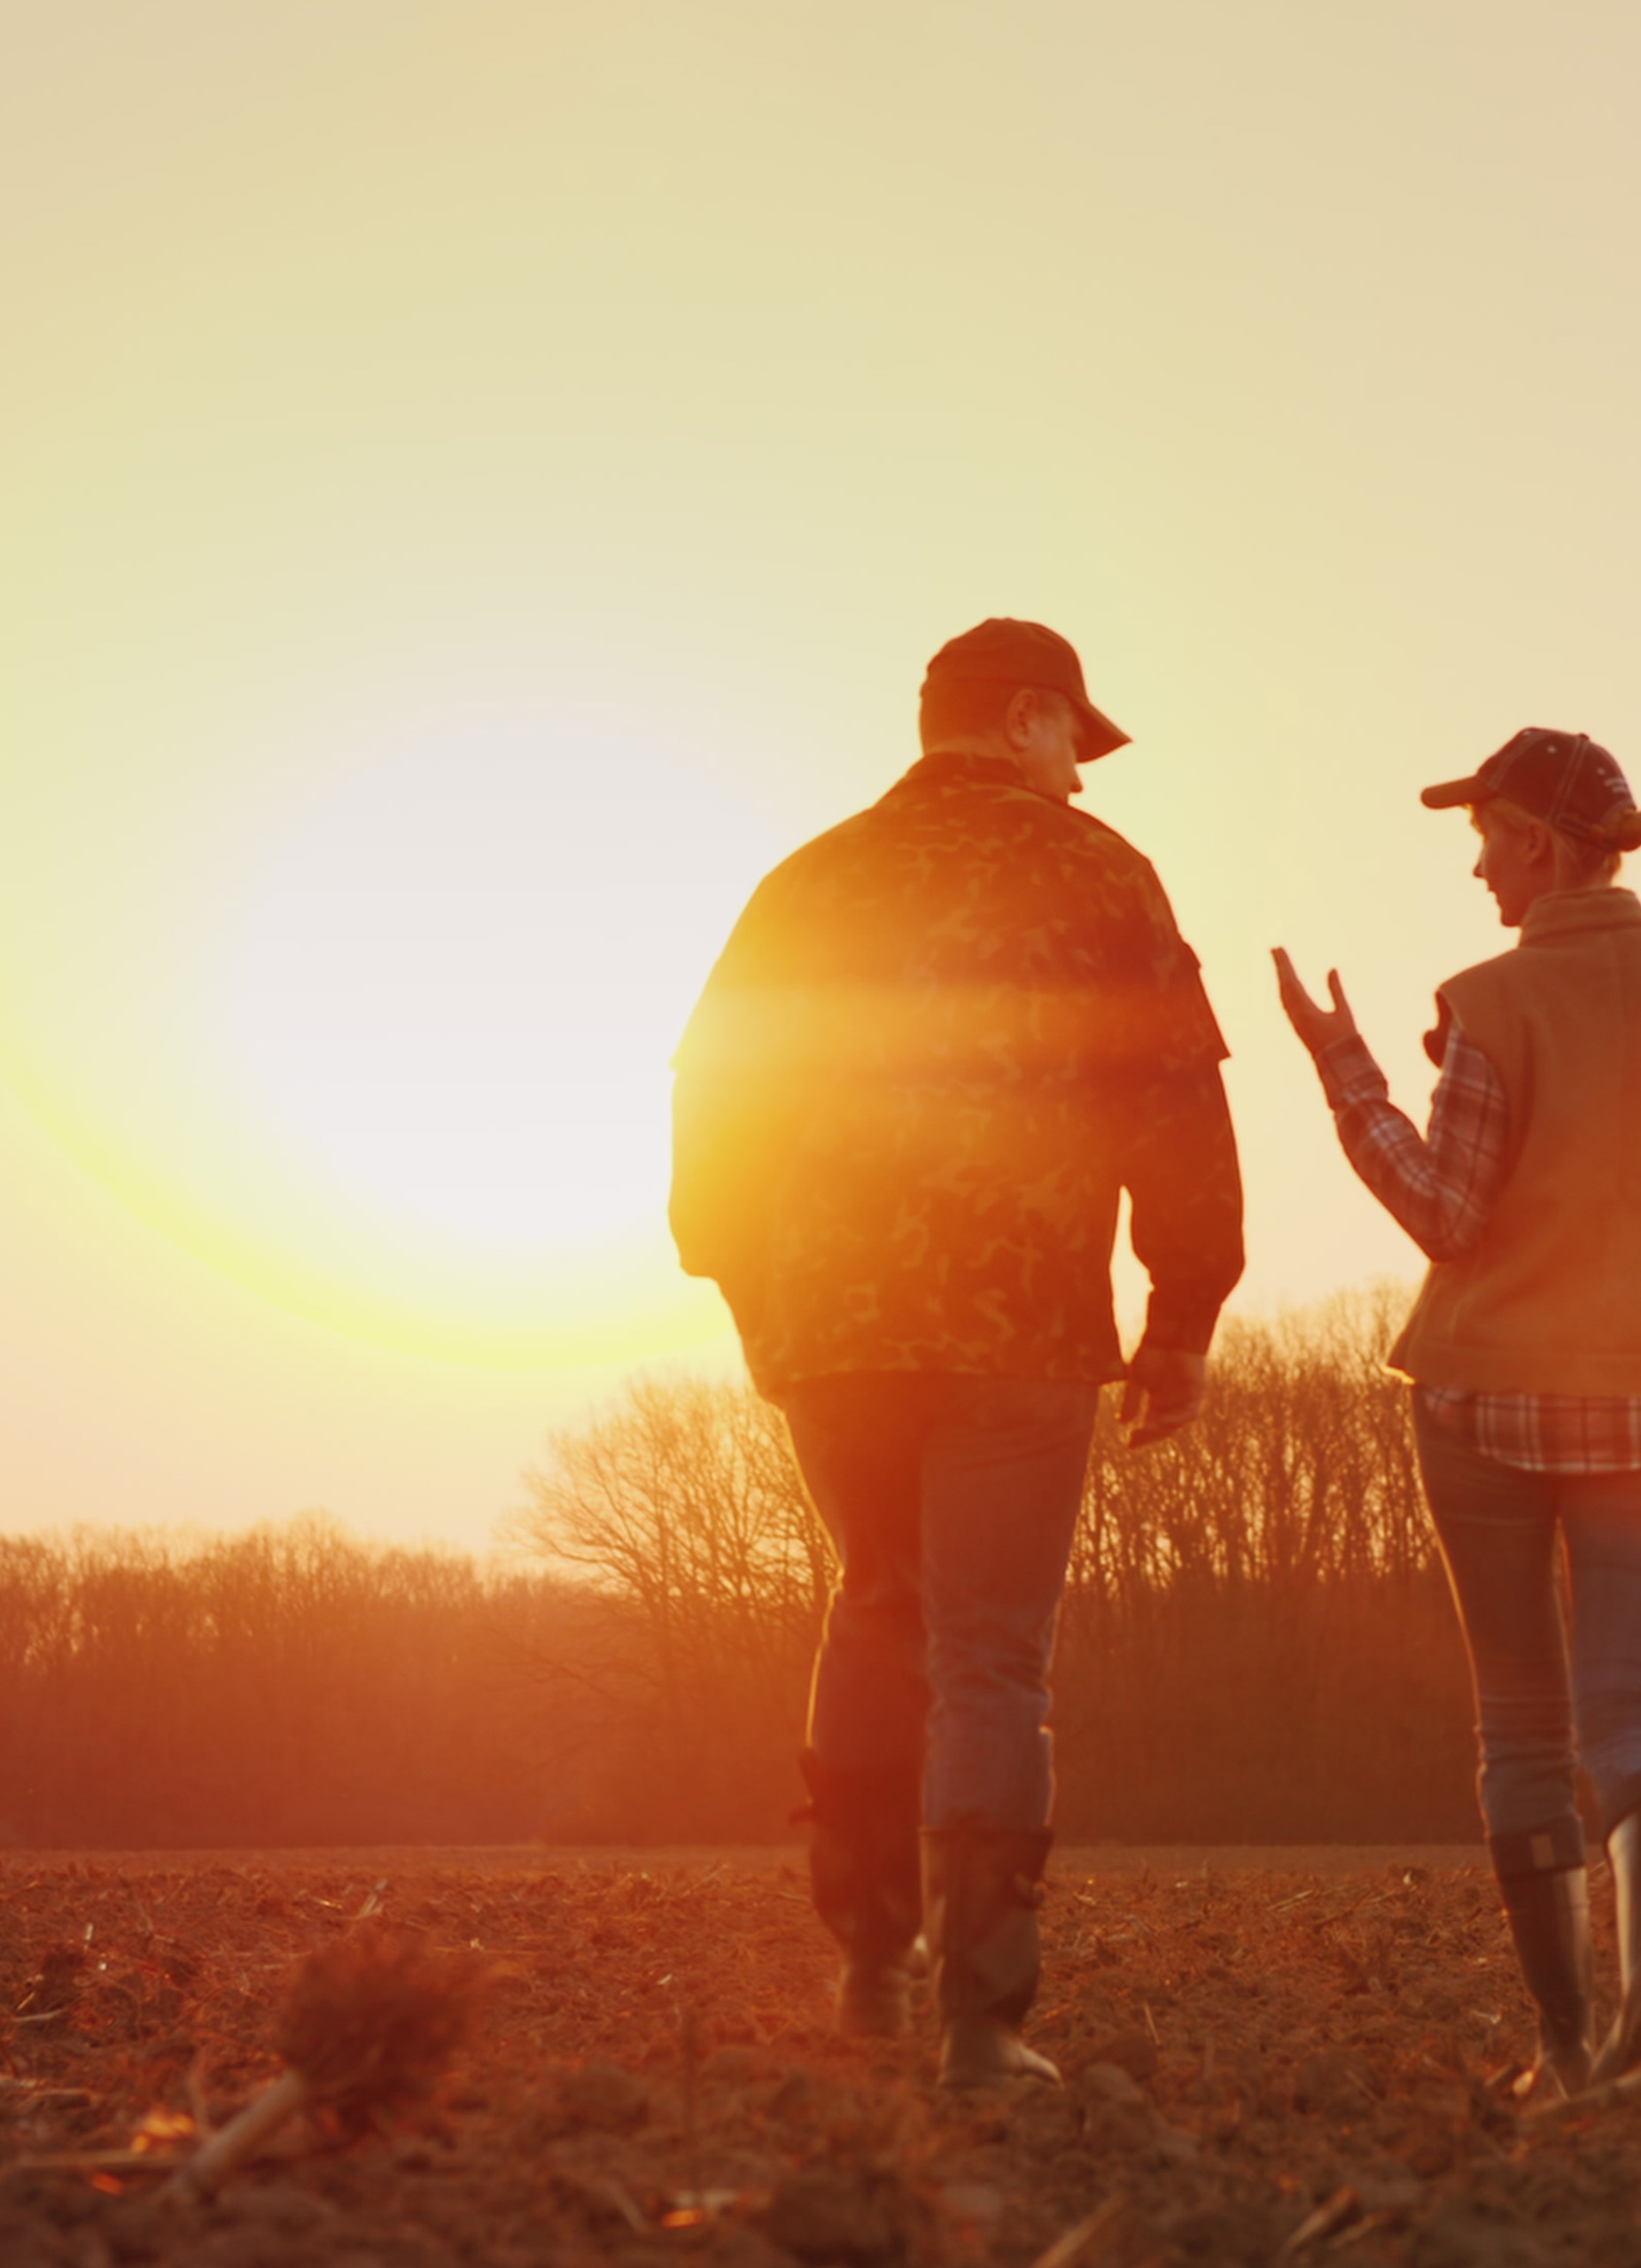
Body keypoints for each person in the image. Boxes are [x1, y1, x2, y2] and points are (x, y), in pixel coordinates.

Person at [669, 618, 1243, 2085]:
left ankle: (873, 1968)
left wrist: (751, 1287)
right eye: (1076, 743)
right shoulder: (1098, 874)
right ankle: (982, 2026)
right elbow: (1174, 1099)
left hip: (833, 1331)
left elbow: (712, 1099)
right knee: (991, 1660)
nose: (1079, 773)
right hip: (1022, 1324)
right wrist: (1185, 1311)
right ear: (1030, 719)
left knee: (876, 1603)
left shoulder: (806, 882)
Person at [1273, 729, 1641, 2100]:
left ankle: (1568, 2047)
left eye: (1485, 837)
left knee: (1520, 1726)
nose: (1474, 865)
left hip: (1491, 1399)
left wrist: (1347, 1074)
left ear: (1536, 840)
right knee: (1632, 1711)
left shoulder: (1491, 1004)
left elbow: (1447, 1214)